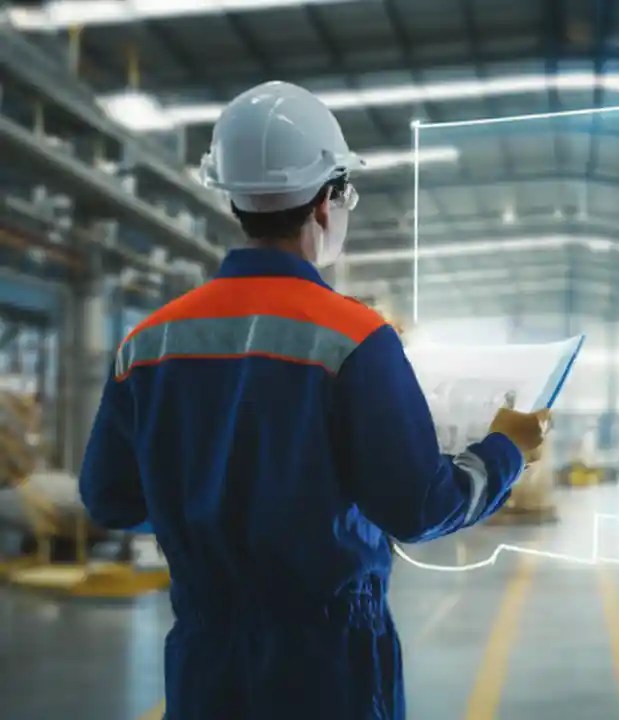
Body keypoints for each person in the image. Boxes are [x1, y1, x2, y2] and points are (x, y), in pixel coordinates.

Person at [77, 81, 547, 719]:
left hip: (203, 664)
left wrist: (213, 522)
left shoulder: (147, 343)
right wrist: (506, 450)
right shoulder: (354, 339)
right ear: (326, 201)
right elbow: (420, 506)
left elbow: (111, 496)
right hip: (327, 668)